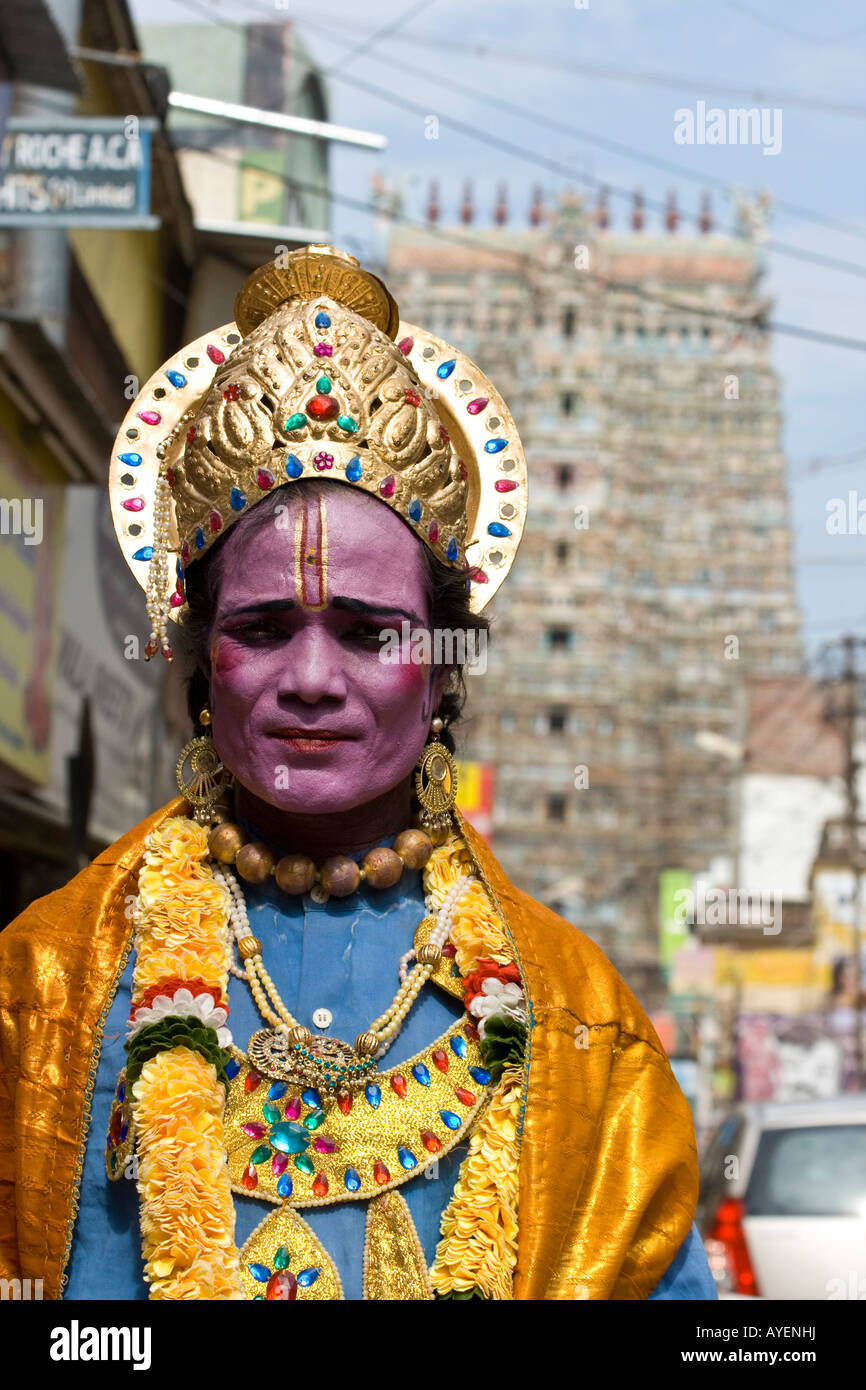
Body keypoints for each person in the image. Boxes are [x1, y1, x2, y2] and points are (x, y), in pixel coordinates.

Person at [0, 245, 715, 1301]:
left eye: (371, 633)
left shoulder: (578, 1027)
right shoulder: (44, 990)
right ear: (203, 659)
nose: (311, 680)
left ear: (438, 668)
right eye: (262, 626)